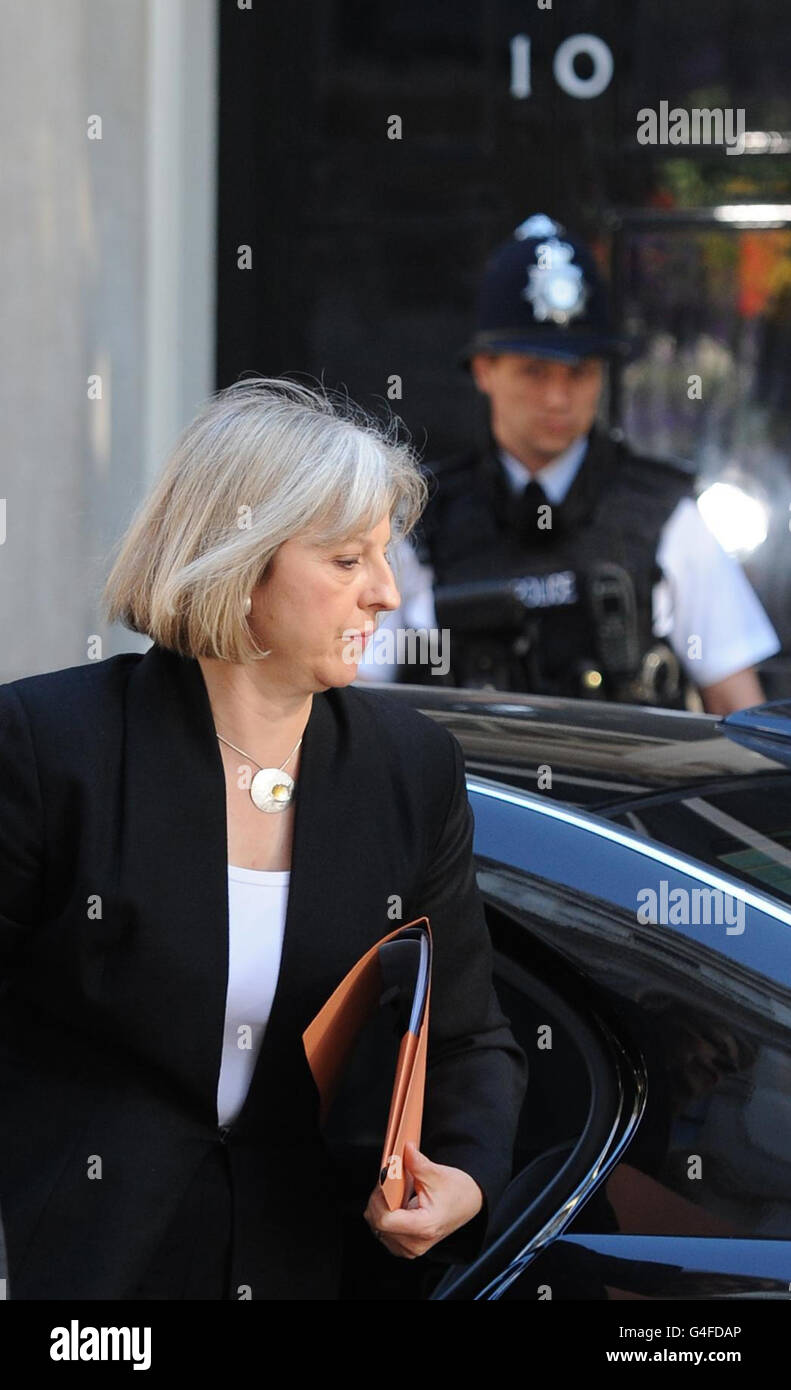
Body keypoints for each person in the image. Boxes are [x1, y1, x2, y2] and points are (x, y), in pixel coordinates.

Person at [0, 377, 527, 1300]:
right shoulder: (51, 747)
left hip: (314, 1269)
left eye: (385, 556)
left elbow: (469, 1036)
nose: (385, 593)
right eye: (345, 560)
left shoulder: (410, 769)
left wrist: (468, 1177)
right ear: (237, 563)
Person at [357, 214, 780, 713]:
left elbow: (740, 716)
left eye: (578, 372)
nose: (558, 397)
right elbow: (360, 705)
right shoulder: (418, 523)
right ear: (483, 370)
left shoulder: (666, 517)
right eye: (534, 371)